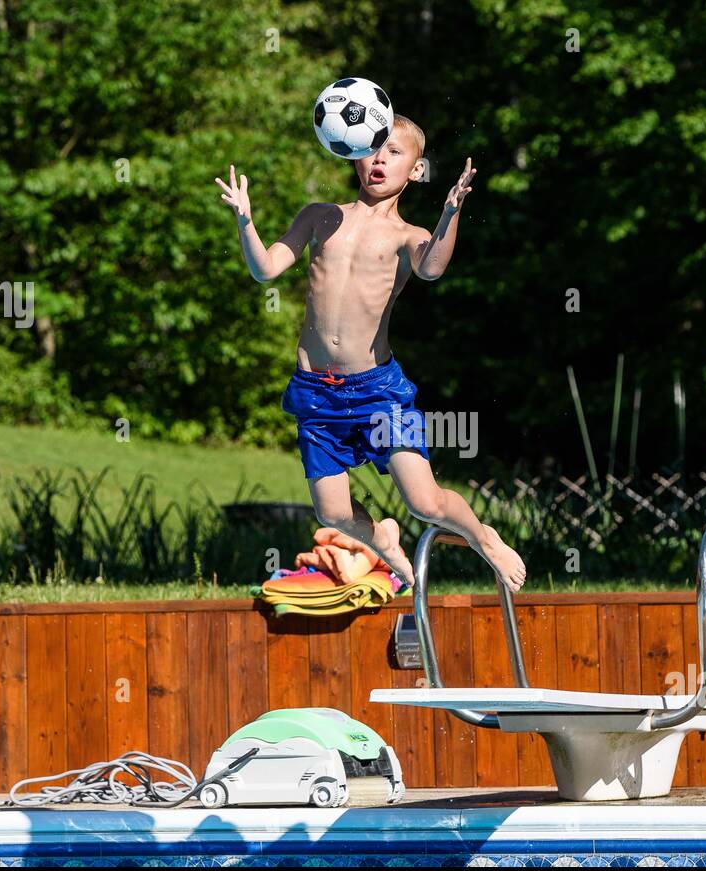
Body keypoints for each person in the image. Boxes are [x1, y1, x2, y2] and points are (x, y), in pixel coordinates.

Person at [216, 116, 526, 592]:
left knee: (425, 503)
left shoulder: (409, 236)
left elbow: (432, 269)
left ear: (417, 170)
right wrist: (246, 222)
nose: (379, 159)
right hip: (316, 391)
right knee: (332, 511)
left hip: (376, 389)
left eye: (394, 152)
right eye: (371, 149)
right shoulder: (319, 215)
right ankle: (382, 540)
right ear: (351, 153)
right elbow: (267, 269)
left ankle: (485, 539)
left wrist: (450, 213)